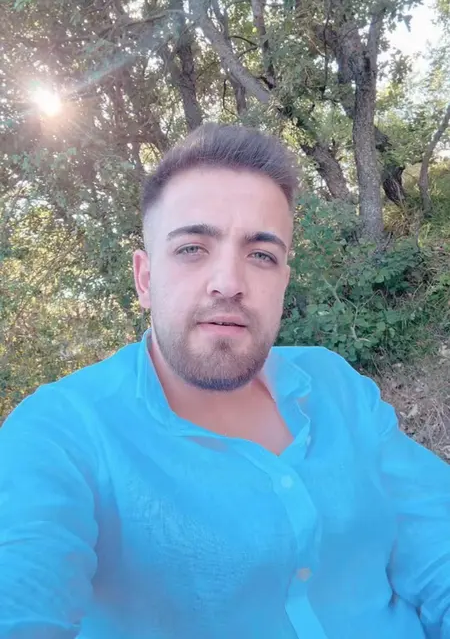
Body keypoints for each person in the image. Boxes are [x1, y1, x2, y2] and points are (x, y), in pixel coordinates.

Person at [0, 123, 449, 639]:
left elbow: (437, 546)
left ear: (283, 280)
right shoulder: (60, 434)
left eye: (261, 255)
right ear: (145, 279)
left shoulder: (335, 385)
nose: (230, 284)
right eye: (192, 248)